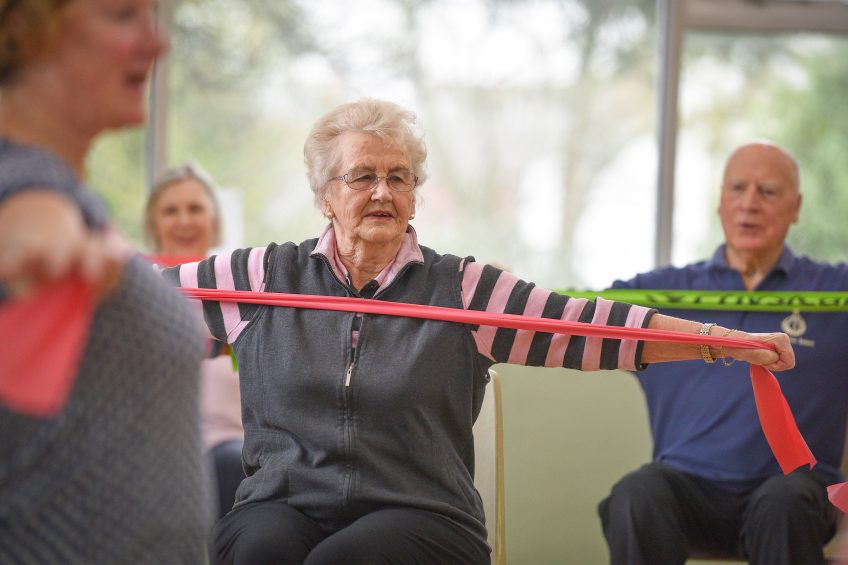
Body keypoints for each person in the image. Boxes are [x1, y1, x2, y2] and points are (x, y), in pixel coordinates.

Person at [161, 99, 794, 565]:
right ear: (326, 194)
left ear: (414, 195)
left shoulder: (463, 290)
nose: (382, 191)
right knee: (253, 550)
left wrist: (721, 341)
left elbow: (588, 327)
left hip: (421, 516)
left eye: (400, 177)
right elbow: (138, 304)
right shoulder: (263, 277)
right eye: (362, 177)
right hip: (285, 501)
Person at [0, 1, 209, 562]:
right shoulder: (31, 185)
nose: (158, 43)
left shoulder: (66, 191)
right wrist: (39, 247)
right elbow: (31, 224)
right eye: (122, 16)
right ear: (26, 30)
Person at [598, 141, 848, 564]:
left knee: (784, 501)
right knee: (636, 494)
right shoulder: (667, 292)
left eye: (767, 191)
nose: (749, 203)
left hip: (793, 496)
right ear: (720, 202)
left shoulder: (833, 291)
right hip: (689, 492)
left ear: (796, 206)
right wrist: (506, 289)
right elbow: (571, 319)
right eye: (737, 189)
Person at [145, 162, 246, 520]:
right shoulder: (137, 292)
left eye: (195, 209)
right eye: (171, 211)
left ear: (214, 220)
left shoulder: (241, 288)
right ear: (153, 224)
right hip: (154, 446)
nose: (184, 221)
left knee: (235, 466)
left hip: (229, 446)